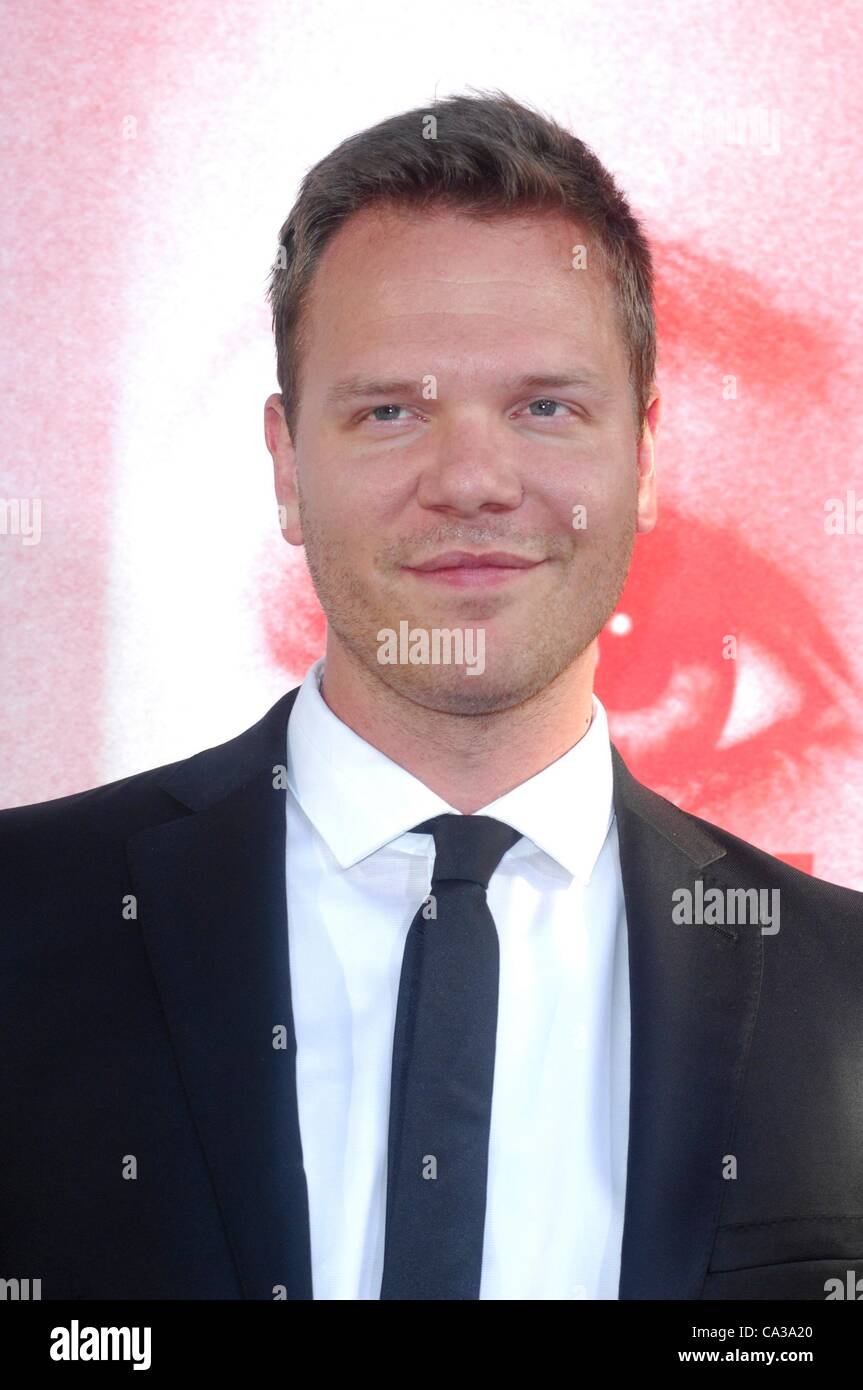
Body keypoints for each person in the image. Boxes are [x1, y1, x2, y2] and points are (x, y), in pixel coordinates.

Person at [1, 90, 861, 1302]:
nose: (469, 479)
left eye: (543, 406)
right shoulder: (23, 925)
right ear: (287, 467)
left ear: (645, 458)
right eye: (389, 409)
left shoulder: (844, 990)